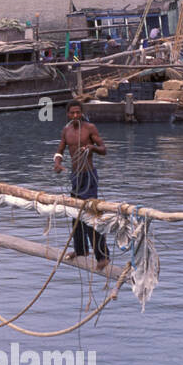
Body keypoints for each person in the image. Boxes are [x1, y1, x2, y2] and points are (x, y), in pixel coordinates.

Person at [53, 103, 109, 271]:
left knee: (91, 215)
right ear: (68, 115)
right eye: (73, 113)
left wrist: (92, 148)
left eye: (78, 112)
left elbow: (104, 149)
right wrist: (57, 163)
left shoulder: (90, 128)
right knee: (75, 214)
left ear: (82, 113)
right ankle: (81, 250)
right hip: (75, 176)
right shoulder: (66, 131)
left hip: (89, 177)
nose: (76, 115)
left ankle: (102, 256)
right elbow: (60, 151)